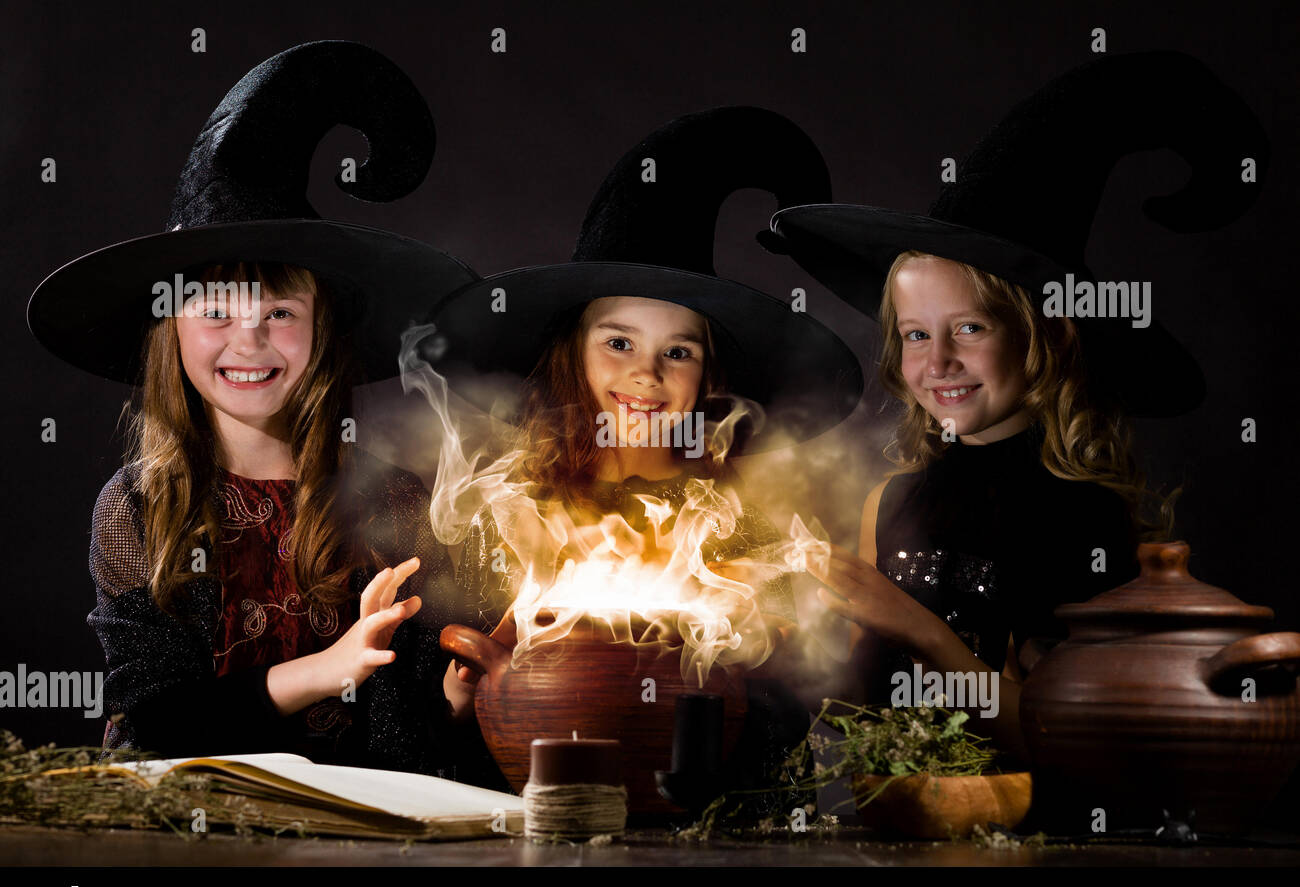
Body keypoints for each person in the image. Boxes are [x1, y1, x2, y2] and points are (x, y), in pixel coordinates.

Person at [769, 51, 1268, 760]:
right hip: (887, 826)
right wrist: (786, 642)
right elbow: (858, 704)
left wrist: (920, 628)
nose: (937, 362)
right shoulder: (890, 500)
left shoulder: (1080, 516)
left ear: (1048, 336)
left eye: (969, 328)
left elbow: (1056, 731)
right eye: (915, 334)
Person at [27, 42, 479, 773]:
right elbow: (159, 724)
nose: (250, 341)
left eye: (279, 312)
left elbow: (405, 746)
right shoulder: (141, 509)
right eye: (215, 311)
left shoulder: (394, 502)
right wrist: (331, 667)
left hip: (348, 836)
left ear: (322, 327)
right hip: (179, 828)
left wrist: (457, 698)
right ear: (170, 327)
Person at [422, 107, 863, 798]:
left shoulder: (748, 530)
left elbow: (785, 748)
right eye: (619, 342)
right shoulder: (501, 518)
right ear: (574, 352)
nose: (646, 375)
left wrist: (748, 665)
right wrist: (460, 700)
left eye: (678, 352)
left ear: (711, 379)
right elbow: (436, 755)